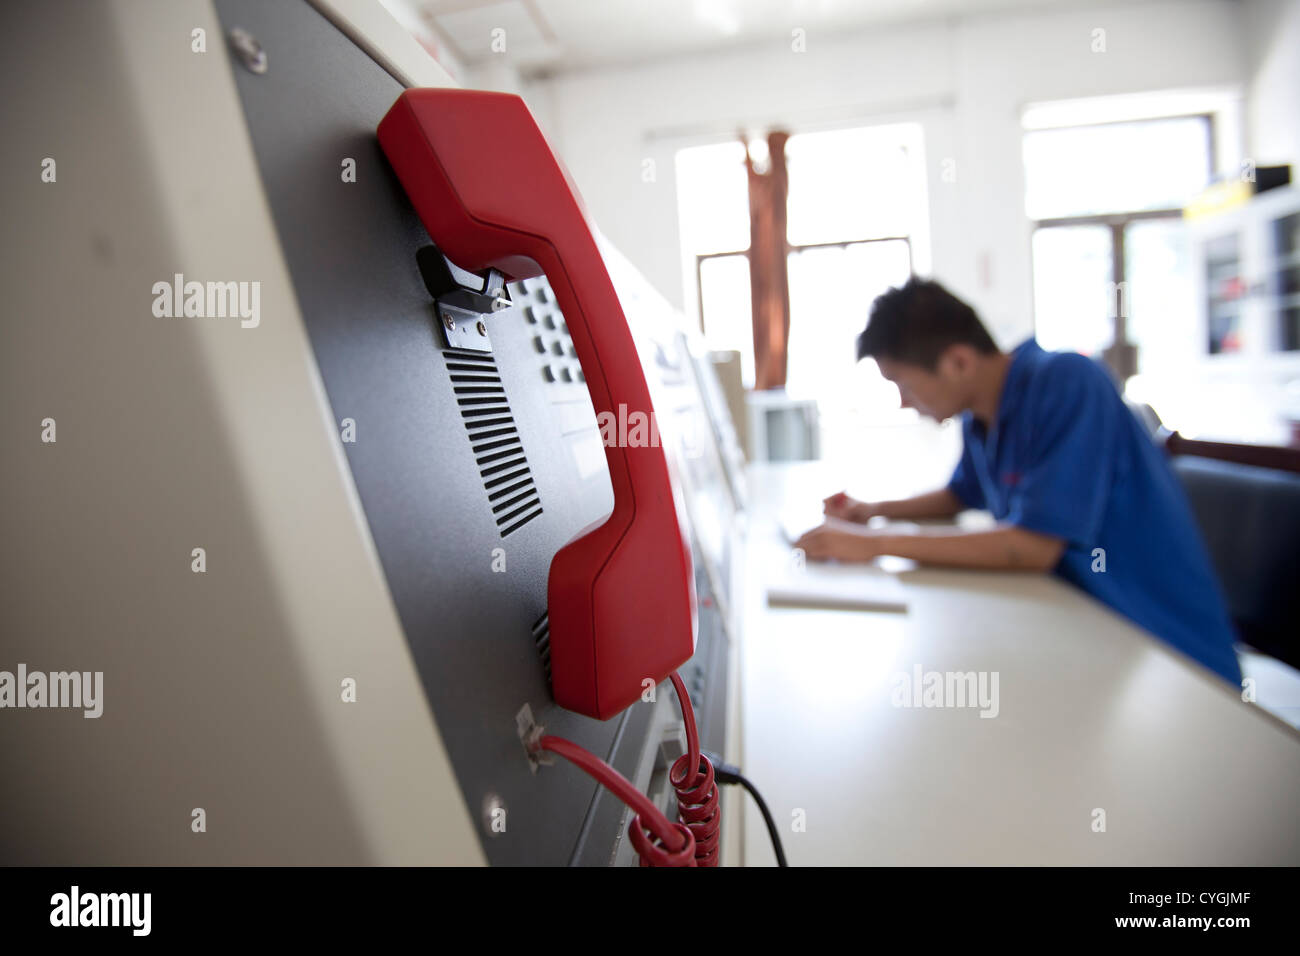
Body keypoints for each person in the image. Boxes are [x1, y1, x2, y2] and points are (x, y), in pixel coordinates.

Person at [794, 277, 1242, 687]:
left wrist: (872, 543)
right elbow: (959, 495)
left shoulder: (1068, 382)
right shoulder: (980, 416)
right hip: (1079, 623)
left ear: (958, 361)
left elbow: (1031, 547)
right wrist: (870, 511)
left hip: (1165, 650)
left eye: (903, 385)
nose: (903, 402)